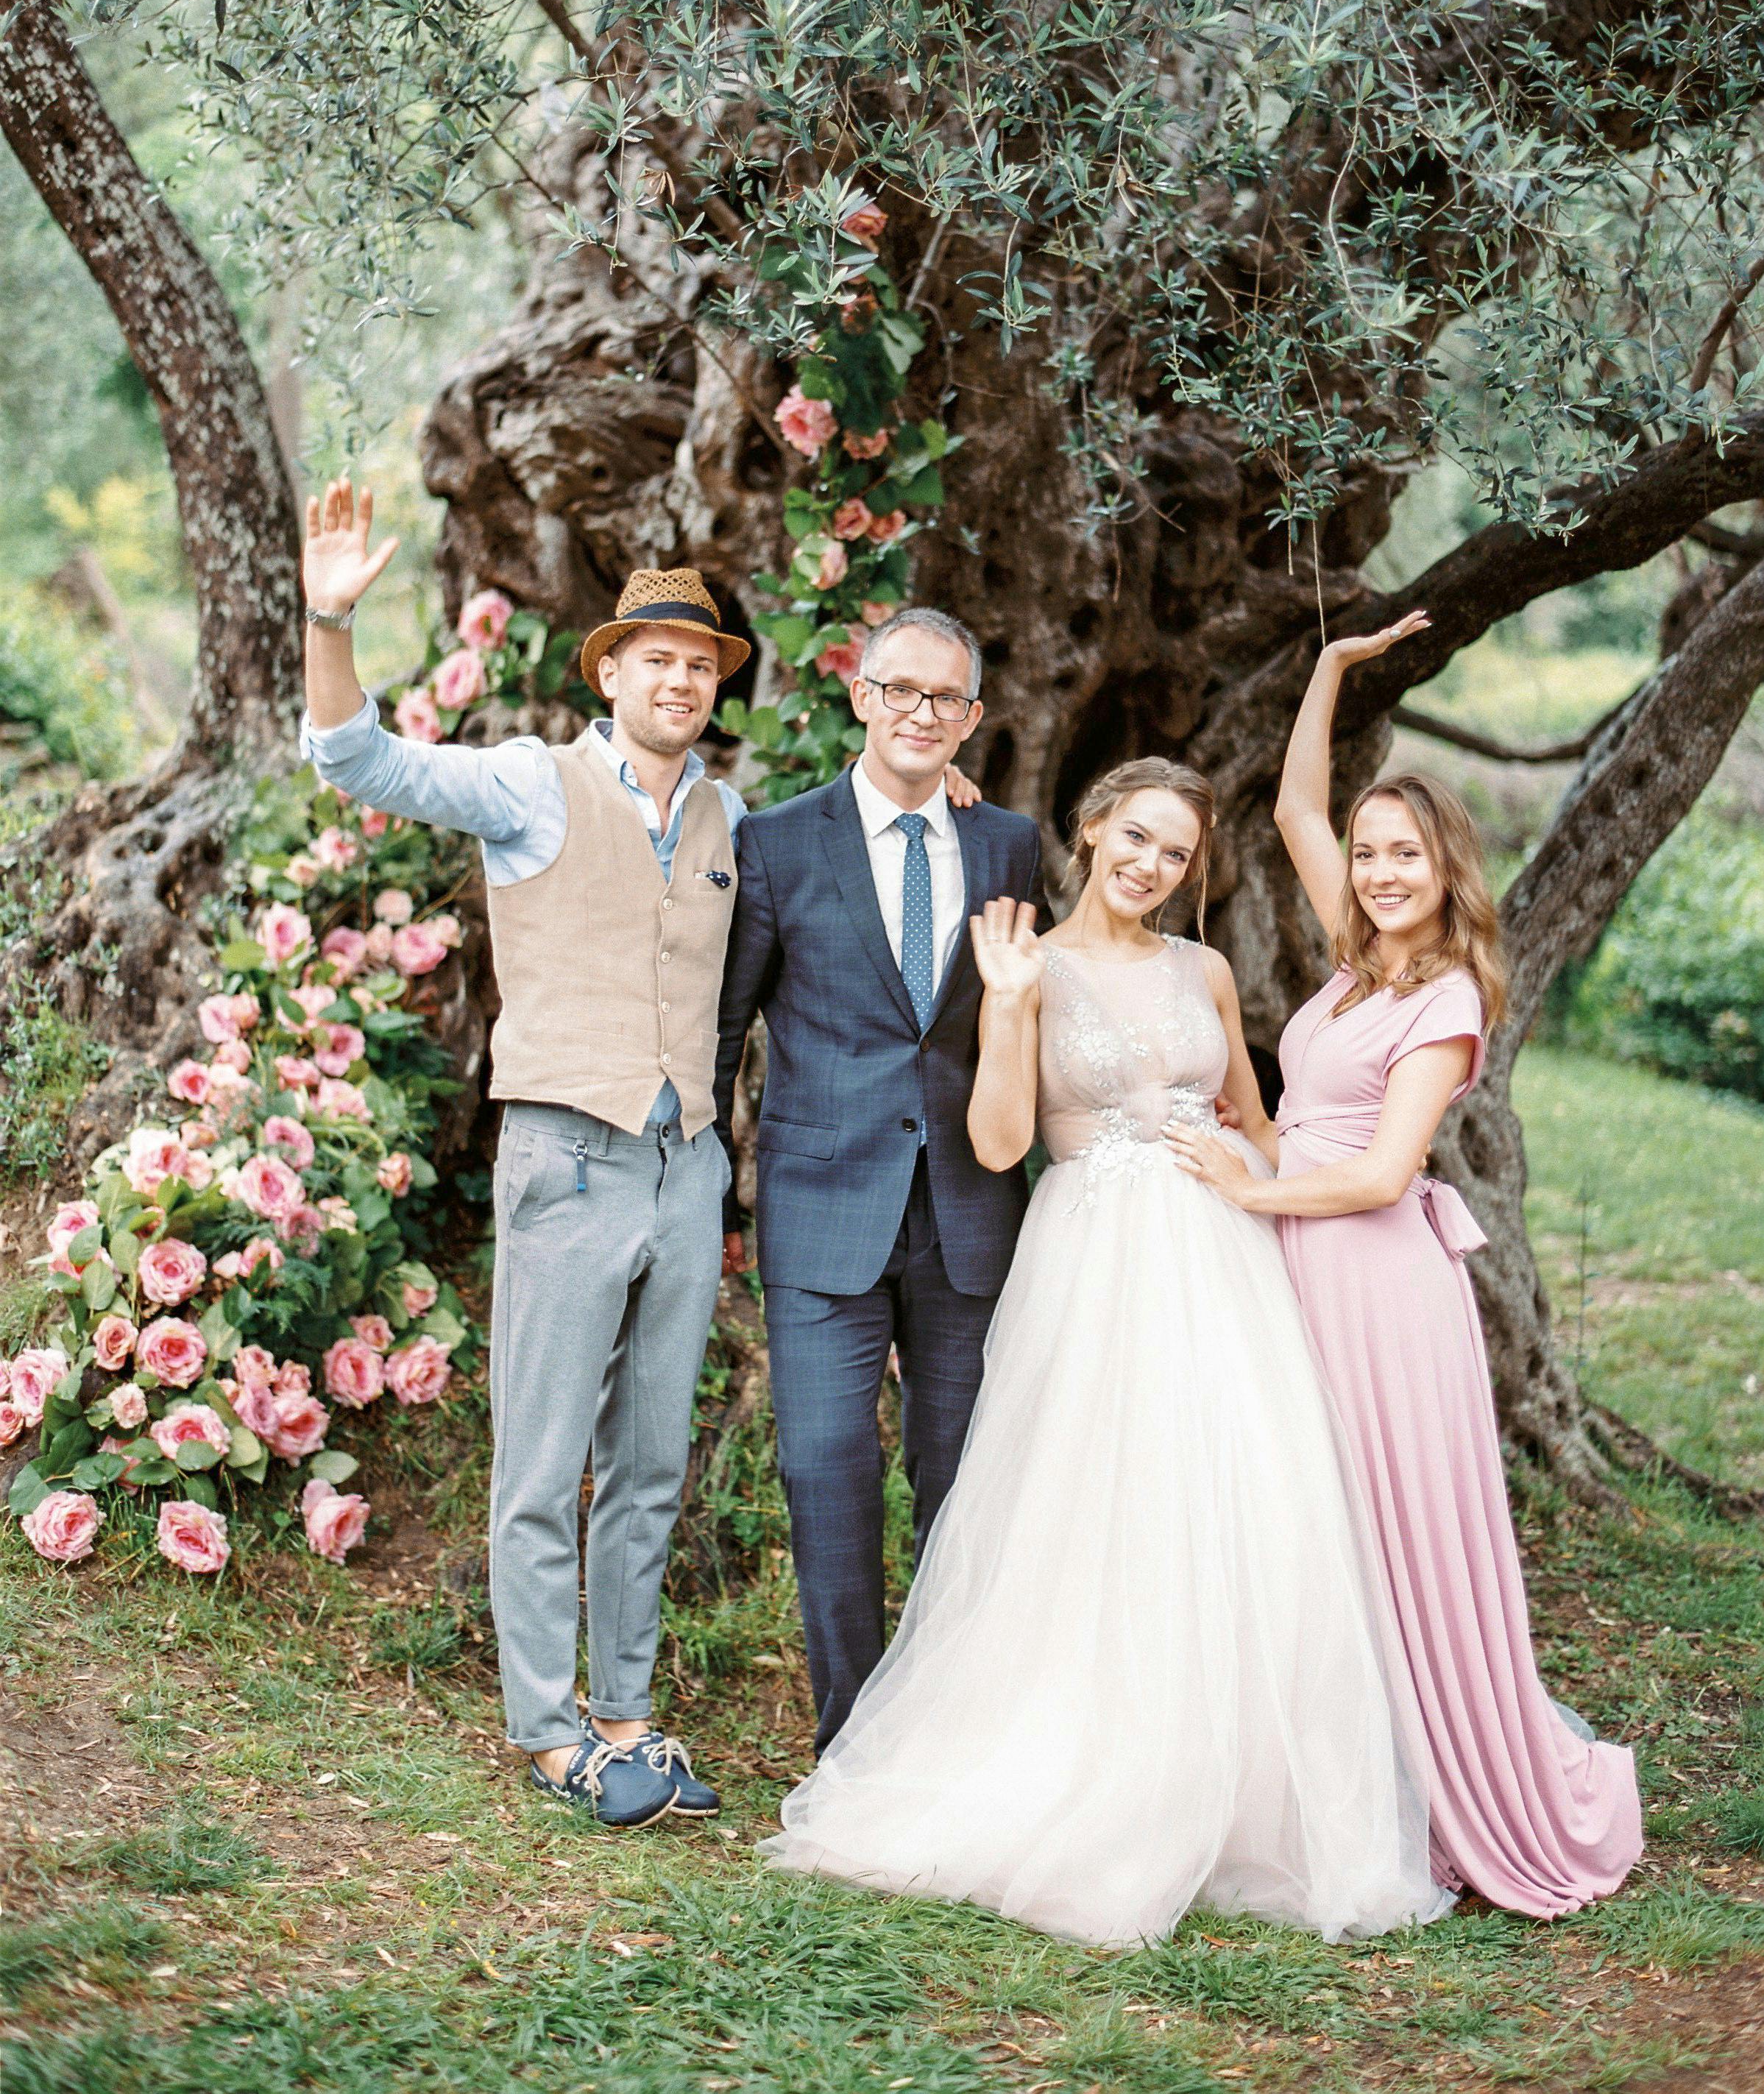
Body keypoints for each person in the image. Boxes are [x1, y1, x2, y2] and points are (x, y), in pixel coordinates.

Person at [761, 758, 1452, 1947]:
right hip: (1092, 1255)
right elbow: (997, 1143)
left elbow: (1259, 1121)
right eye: (1135, 837)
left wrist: (1343, 1188)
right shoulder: (1027, 962)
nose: (1150, 865)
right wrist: (1008, 1005)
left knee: (1237, 1499)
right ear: (1088, 830)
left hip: (1222, 1252)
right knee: (1094, 1501)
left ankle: (1237, 1785)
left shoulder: (1204, 969)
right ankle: (1088, 1764)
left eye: (1175, 853)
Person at [1169, 615, 1643, 1918]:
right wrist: (1330, 670)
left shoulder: (1445, 997)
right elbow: (1293, 807)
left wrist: (1250, 1185)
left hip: (1375, 1282)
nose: (1379, 873)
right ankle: (1330, 1777)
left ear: (1447, 871)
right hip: (1303, 1262)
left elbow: (1385, 1175)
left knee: (1394, 1536)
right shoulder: (1355, 958)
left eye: (1405, 856)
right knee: (1315, 1526)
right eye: (1369, 853)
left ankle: (1452, 1782)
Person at [300, 477, 748, 1827]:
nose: (678, 680)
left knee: (652, 1467)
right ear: (610, 672)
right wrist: (331, 623)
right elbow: (359, 760)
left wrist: (938, 788)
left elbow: (845, 846)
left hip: (686, 1166)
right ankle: (550, 1734)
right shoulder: (531, 784)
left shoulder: (730, 818)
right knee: (543, 1466)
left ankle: (626, 1716)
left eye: (699, 664)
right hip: (568, 1155)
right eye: (655, 658)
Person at [714, 609, 1046, 1755]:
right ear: (860, 696)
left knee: (961, 1480)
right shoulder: (776, 842)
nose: (919, 712)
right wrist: (709, 1187)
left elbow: (1030, 1011)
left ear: (971, 717)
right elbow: (725, 1031)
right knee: (824, 1471)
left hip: (969, 1212)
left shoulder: (1008, 845)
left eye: (944, 697)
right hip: (821, 1211)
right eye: (899, 689)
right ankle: (851, 1743)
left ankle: (950, 1736)